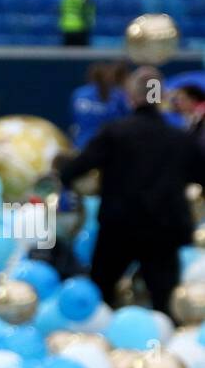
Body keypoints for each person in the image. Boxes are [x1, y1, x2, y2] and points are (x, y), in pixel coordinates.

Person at [59, 67, 205, 314]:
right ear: (161, 97)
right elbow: (200, 175)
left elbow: (73, 170)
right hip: (163, 230)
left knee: (99, 296)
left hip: (119, 228)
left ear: (130, 97)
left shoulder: (115, 133)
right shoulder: (179, 139)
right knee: (165, 302)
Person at [69, 61, 129, 148]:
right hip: (109, 147)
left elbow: (75, 120)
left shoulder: (79, 93)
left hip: (82, 146)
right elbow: (128, 118)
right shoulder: (119, 95)